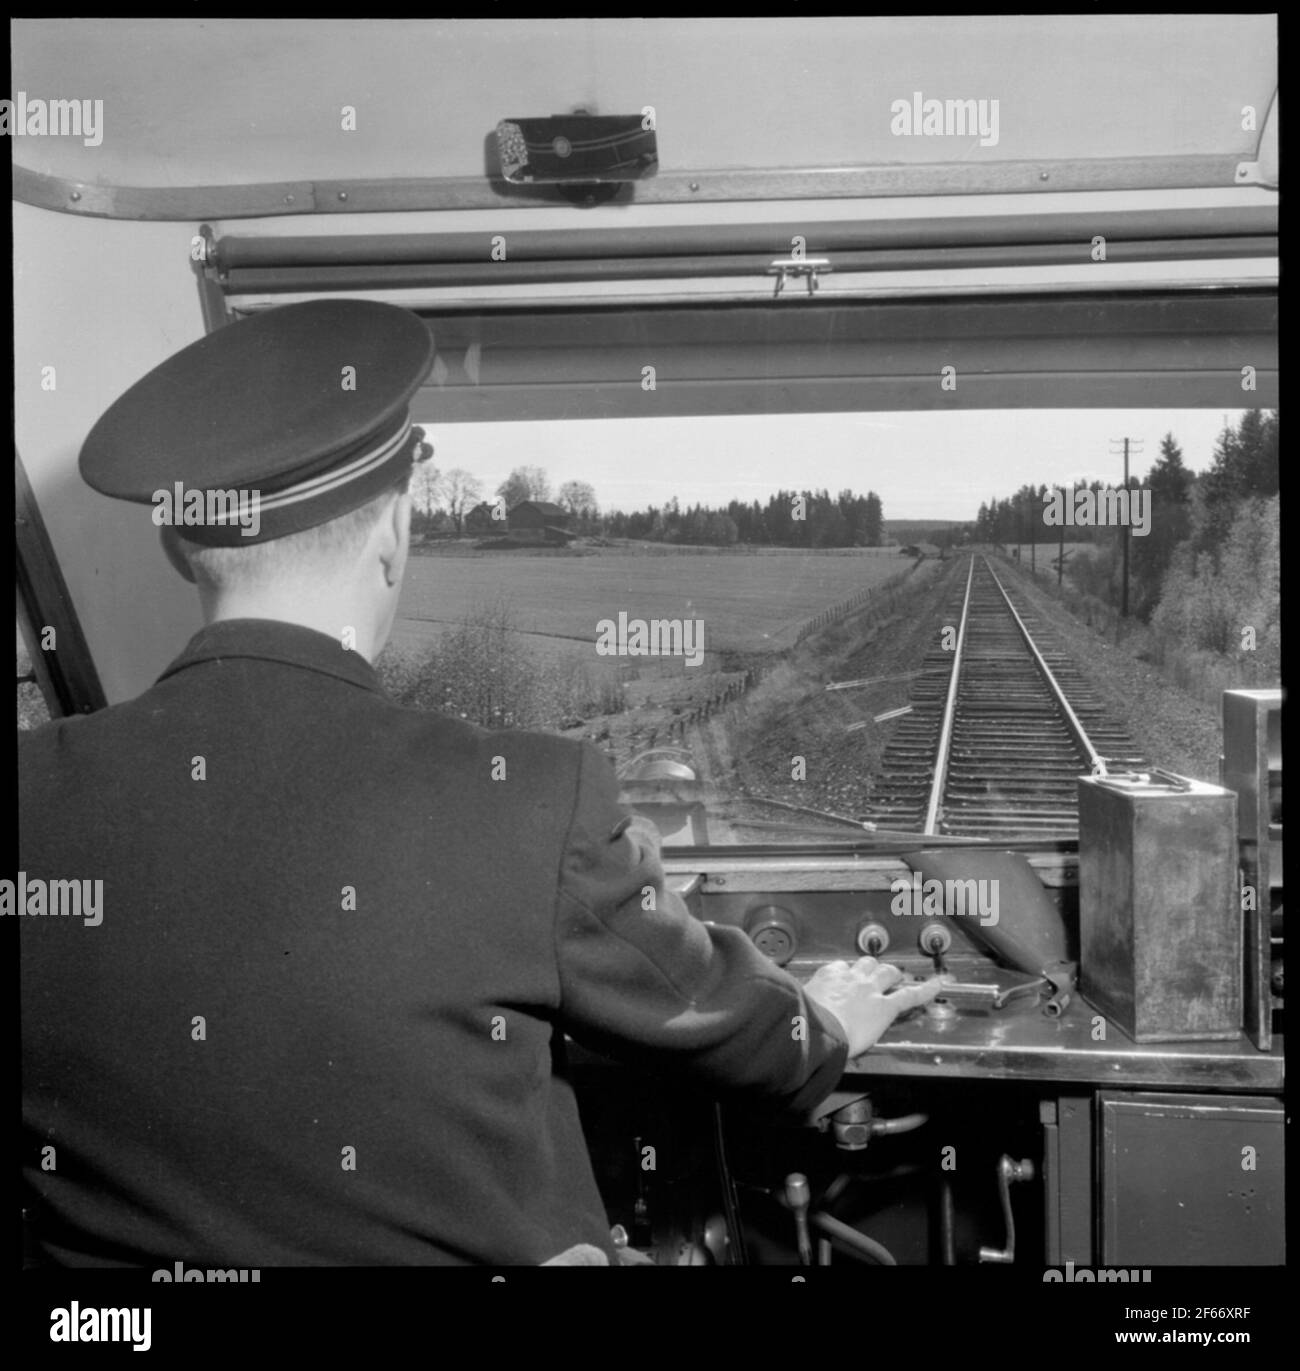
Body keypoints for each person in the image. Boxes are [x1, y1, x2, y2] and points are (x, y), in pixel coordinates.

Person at [19, 299, 946, 1267]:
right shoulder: (526, 799)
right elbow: (710, 1019)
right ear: (394, 529)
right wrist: (820, 1020)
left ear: (179, 548)